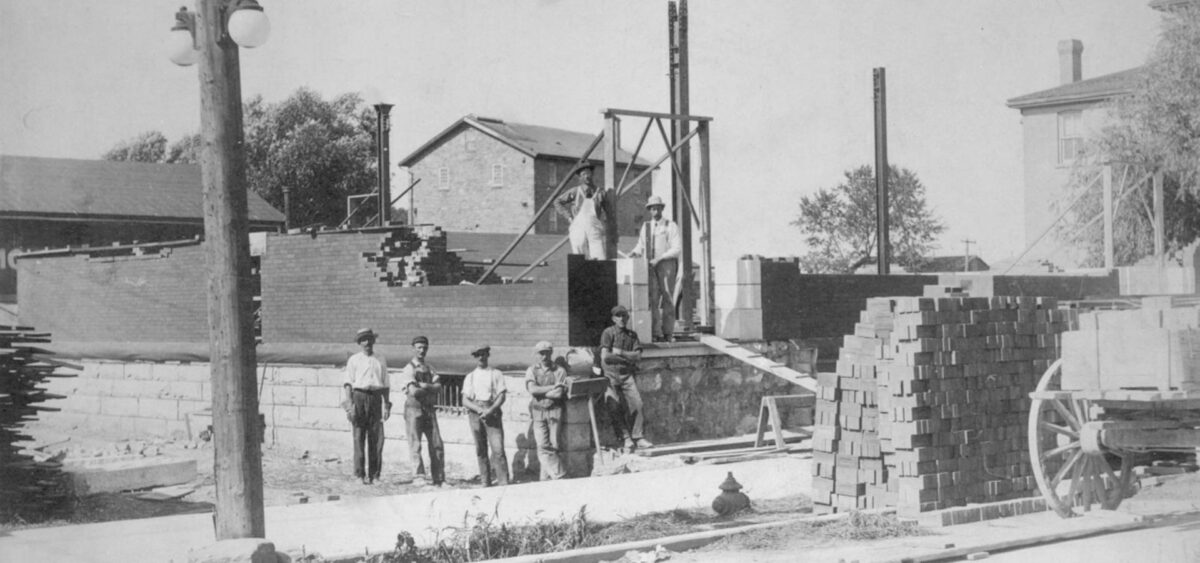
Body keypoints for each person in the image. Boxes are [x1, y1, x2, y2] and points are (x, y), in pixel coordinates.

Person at [340, 328, 391, 485]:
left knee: (376, 439)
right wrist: (350, 405)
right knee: (359, 436)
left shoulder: (380, 359)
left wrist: (386, 405)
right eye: (363, 340)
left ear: (373, 341)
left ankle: (375, 476)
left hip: (375, 398)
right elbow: (348, 383)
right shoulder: (354, 360)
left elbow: (385, 384)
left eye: (369, 339)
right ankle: (359, 475)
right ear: (360, 343)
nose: (367, 342)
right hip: (359, 397)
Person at [629, 195, 682, 343]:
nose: (655, 210)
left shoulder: (670, 225)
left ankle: (668, 332)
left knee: (668, 298)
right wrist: (634, 252)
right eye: (652, 208)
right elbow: (641, 246)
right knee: (652, 298)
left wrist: (660, 258)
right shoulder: (646, 226)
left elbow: (676, 248)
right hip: (650, 266)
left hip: (666, 264)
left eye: (658, 208)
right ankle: (655, 332)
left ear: (662, 208)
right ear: (649, 210)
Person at [599, 306, 652, 452]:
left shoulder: (632, 336)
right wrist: (628, 357)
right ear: (613, 319)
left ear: (628, 318)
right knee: (614, 406)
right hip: (610, 376)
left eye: (624, 316)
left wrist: (620, 352)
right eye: (618, 316)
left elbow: (638, 357)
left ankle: (638, 437)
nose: (621, 319)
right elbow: (606, 357)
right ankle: (625, 438)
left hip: (627, 375)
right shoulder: (608, 333)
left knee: (638, 404)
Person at [397, 335, 445, 486]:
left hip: (429, 410)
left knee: (436, 443)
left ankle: (439, 477)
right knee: (415, 443)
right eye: (419, 347)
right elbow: (414, 392)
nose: (422, 350)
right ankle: (418, 476)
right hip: (414, 409)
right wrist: (430, 389)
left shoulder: (430, 368)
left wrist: (424, 386)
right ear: (413, 349)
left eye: (424, 347)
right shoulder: (408, 369)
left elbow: (439, 387)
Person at [462, 344, 510, 486]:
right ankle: (485, 481)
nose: (481, 357)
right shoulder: (470, 376)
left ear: (488, 355)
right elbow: (464, 400)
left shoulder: (496, 373)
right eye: (478, 355)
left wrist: (490, 410)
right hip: (476, 414)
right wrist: (478, 409)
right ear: (475, 357)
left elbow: (501, 396)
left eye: (483, 354)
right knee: (480, 449)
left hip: (492, 412)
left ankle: (503, 482)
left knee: (498, 449)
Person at [524, 340, 568, 480]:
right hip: (538, 412)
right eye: (541, 353)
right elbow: (532, 389)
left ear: (551, 353)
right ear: (537, 354)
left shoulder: (560, 371)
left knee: (554, 446)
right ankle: (560, 475)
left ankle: (545, 479)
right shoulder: (532, 370)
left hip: (554, 410)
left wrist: (540, 392)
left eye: (547, 353)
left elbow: (558, 394)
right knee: (542, 446)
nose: (544, 356)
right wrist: (551, 388)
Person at [555, 163, 612, 260]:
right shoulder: (575, 191)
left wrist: (606, 223)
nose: (587, 176)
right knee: (579, 254)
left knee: (599, 256)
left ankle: (597, 274)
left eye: (588, 173)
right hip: (578, 226)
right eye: (583, 174)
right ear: (580, 177)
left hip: (594, 227)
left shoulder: (600, 192)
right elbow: (557, 202)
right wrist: (569, 217)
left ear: (592, 174)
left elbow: (609, 211)